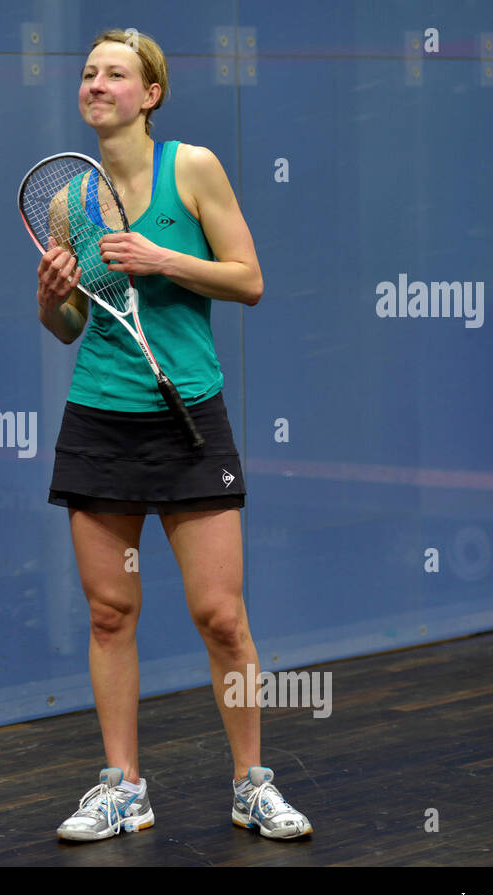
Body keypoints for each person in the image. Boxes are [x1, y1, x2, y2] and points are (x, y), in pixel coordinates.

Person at [36, 31, 311, 841]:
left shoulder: (190, 169)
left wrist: (162, 258)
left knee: (221, 616)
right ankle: (123, 787)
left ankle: (251, 784)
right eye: (87, 73)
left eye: (115, 73)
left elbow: (249, 280)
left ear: (150, 92)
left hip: (191, 417)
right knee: (110, 614)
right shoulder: (66, 203)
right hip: (99, 418)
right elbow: (68, 326)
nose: (97, 84)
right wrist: (51, 296)